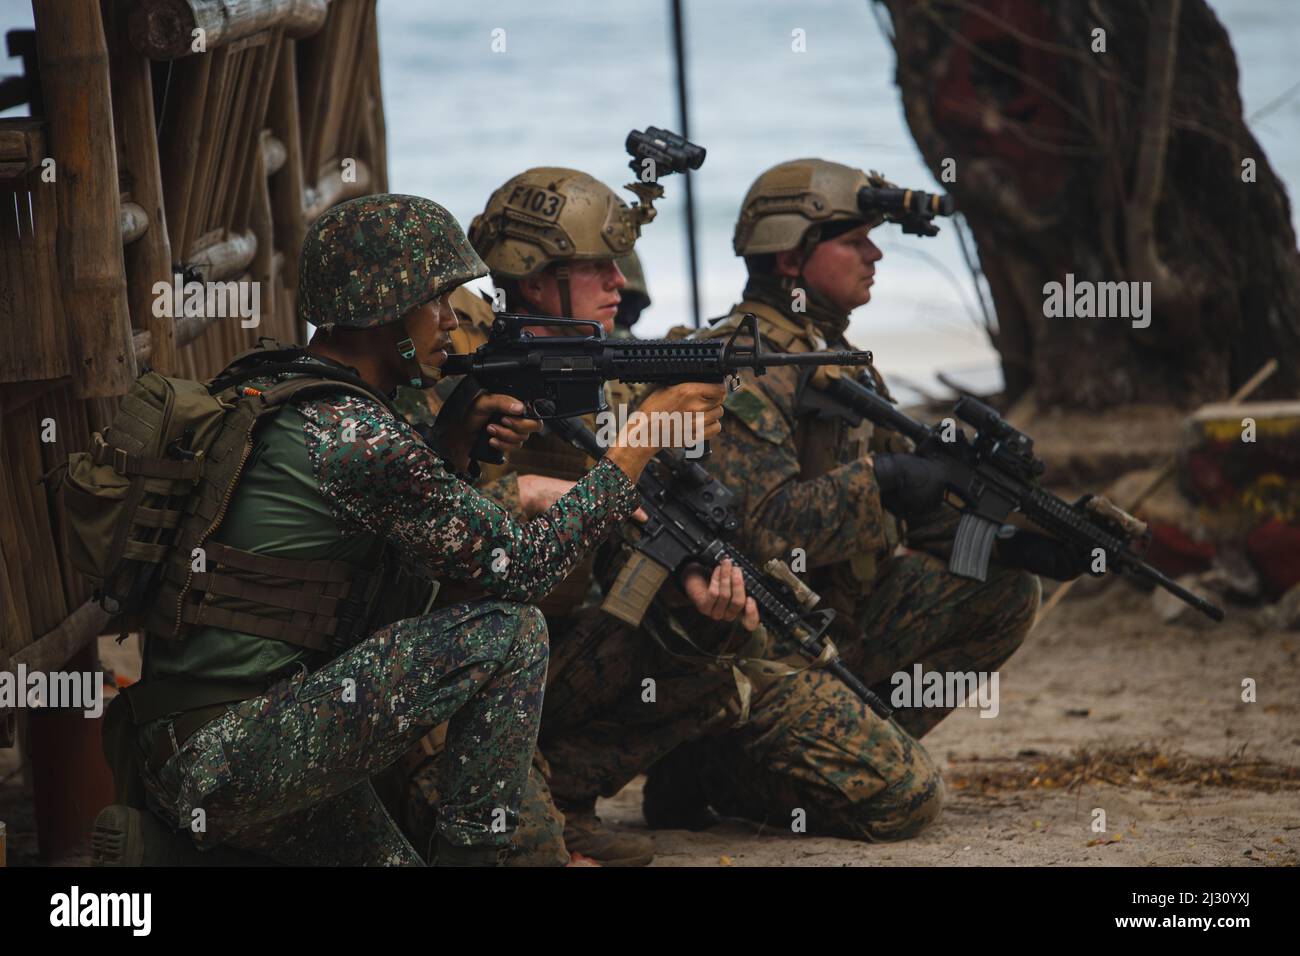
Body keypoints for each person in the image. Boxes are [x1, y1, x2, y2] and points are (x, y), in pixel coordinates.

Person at [93, 194, 725, 866]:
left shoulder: (287, 390)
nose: (452, 322)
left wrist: (448, 445)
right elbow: (526, 568)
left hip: (203, 744)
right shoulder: (356, 436)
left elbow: (385, 558)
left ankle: (164, 850)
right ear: (385, 311)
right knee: (508, 630)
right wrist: (641, 440)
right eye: (436, 303)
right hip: (234, 753)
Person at [643, 159, 1087, 841]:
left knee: (1003, 590)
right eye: (855, 240)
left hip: (832, 624)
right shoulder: (740, 366)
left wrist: (1025, 536)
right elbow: (756, 533)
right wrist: (878, 478)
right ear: (793, 254)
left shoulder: (839, 360)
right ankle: (707, 766)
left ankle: (845, 751)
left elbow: (922, 505)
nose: (875, 254)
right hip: (753, 653)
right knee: (905, 804)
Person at [385, 169, 759, 866]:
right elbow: (411, 546)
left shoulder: (600, 387)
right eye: (598, 268)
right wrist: (517, 486)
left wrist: (687, 586)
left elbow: (611, 533)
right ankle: (515, 813)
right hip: (442, 673)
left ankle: (560, 796)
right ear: (533, 277)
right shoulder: (439, 375)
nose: (621, 284)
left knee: (702, 654)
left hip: (536, 652)